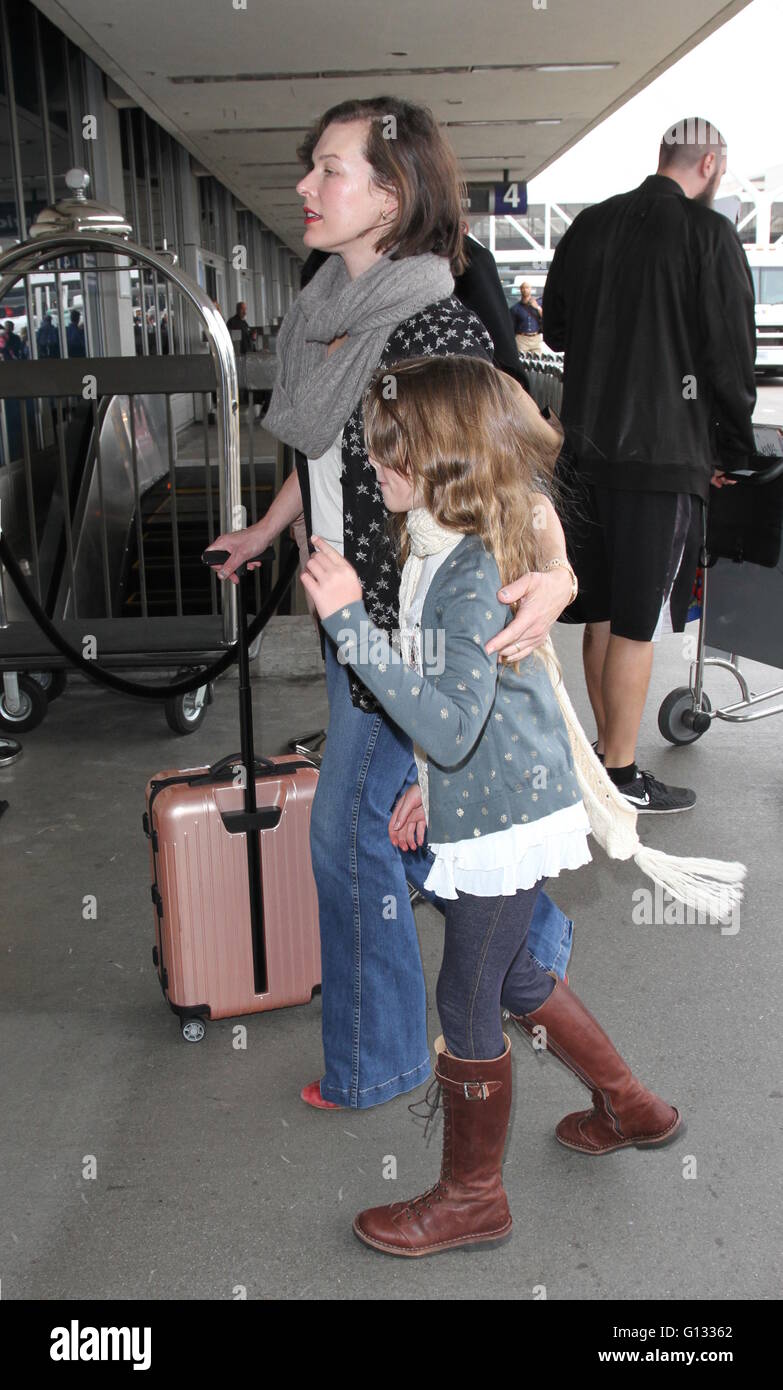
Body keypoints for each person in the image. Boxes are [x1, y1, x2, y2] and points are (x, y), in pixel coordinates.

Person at [207, 96, 578, 1111]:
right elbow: (332, 448)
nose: (305, 188)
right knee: (408, 827)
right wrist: (268, 527)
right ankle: (529, 943)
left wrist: (559, 569)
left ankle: (384, 1058)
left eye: (332, 170)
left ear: (393, 194)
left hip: (399, 631)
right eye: (311, 166)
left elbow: (500, 464)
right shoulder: (328, 306)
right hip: (348, 613)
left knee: (352, 836)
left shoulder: (436, 320)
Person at [300, 353, 683, 1258]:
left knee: (467, 996)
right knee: (510, 979)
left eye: (390, 453)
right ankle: (633, 1107)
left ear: (446, 460)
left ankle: (473, 1197)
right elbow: (461, 716)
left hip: (506, 815)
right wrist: (425, 794)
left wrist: (350, 624)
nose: (373, 466)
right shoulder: (437, 542)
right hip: (491, 800)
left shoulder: (464, 568)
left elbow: (453, 721)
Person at [542, 117, 756, 812]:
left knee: (602, 611)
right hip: (660, 458)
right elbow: (727, 357)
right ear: (711, 163)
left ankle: (604, 753)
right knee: (637, 622)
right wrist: (732, 450)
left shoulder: (589, 226)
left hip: (583, 453)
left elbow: (555, 329)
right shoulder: (707, 234)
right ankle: (621, 777)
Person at [511, 282, 543, 354]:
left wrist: (537, 308)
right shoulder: (515, 308)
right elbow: (512, 326)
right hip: (522, 339)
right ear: (520, 290)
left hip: (536, 338)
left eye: (527, 288)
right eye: (523, 288)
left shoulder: (538, 304)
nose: (525, 290)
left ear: (530, 289)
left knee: (537, 361)